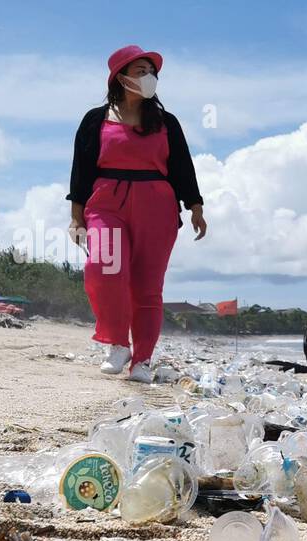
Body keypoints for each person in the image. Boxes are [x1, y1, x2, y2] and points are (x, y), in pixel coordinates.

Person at [67, 45, 207, 382]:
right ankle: (118, 343)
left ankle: (141, 360)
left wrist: (195, 207)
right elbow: (81, 170)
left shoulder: (166, 122)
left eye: (151, 72)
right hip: (106, 201)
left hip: (156, 204)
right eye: (140, 71)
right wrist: (76, 216)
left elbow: (182, 167)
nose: (149, 78)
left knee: (147, 287)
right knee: (103, 267)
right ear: (121, 77)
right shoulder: (95, 120)